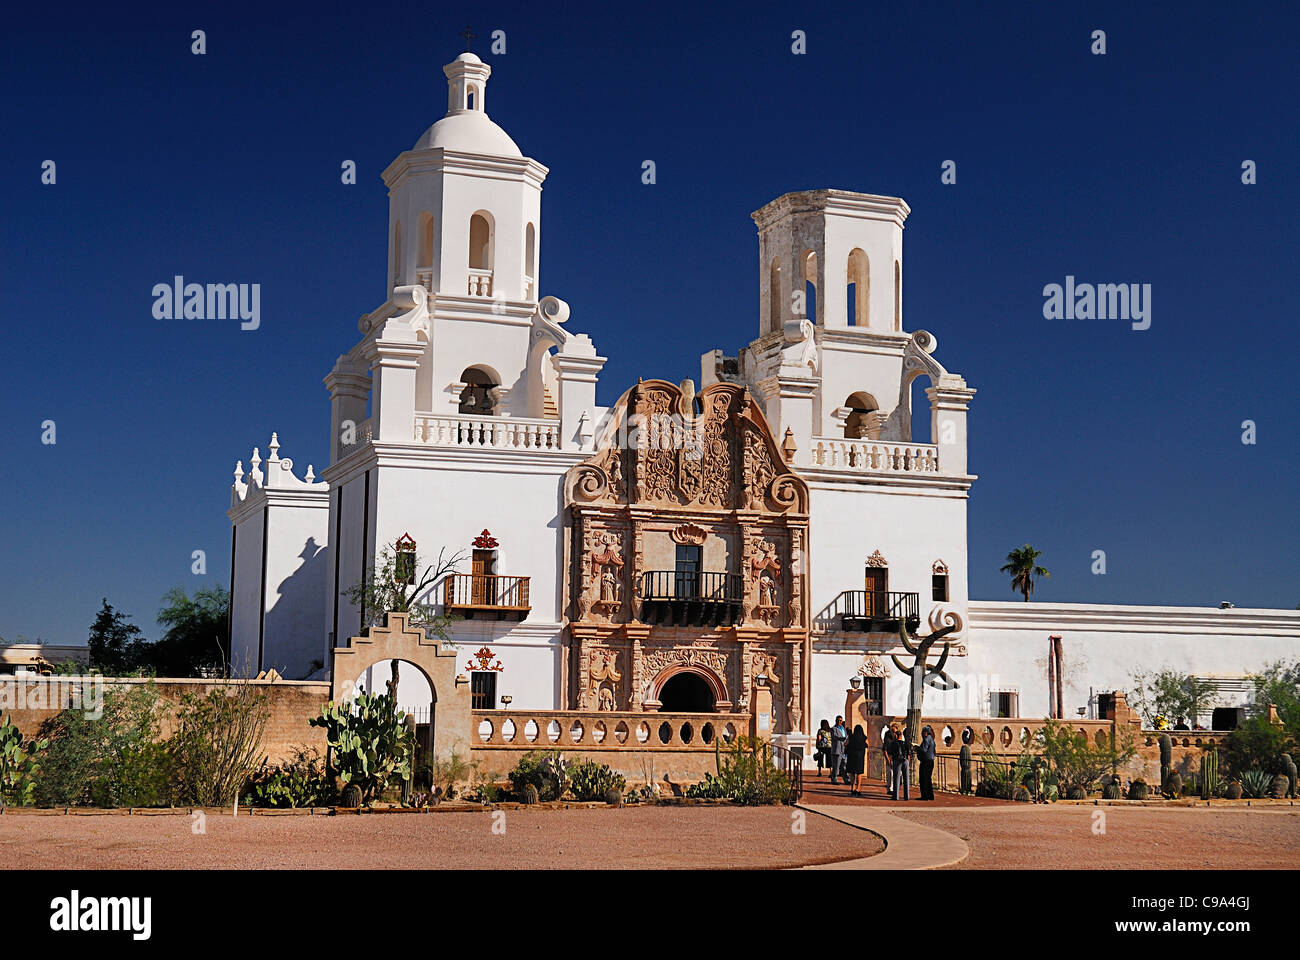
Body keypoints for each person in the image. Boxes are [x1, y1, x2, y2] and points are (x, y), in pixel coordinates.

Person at [887, 723, 911, 800]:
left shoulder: (893, 743)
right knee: (906, 779)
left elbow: (890, 753)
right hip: (905, 760)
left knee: (896, 778)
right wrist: (908, 762)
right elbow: (909, 754)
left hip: (897, 760)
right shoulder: (905, 743)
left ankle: (895, 796)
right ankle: (907, 796)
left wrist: (890, 761)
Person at [845, 725, 868, 795]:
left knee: (852, 773)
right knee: (859, 773)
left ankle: (852, 788)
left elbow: (845, 744)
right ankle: (858, 789)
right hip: (860, 757)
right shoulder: (864, 738)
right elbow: (867, 745)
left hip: (851, 757)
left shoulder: (851, 737)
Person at [917, 725, 936, 801]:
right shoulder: (932, 739)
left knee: (923, 779)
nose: (921, 734)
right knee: (928, 779)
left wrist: (918, 748)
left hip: (925, 761)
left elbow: (924, 750)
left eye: (922, 732)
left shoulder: (926, 740)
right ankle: (930, 795)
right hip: (931, 761)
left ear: (925, 733)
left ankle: (924, 796)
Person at [829, 716, 848, 784]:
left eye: (841, 720)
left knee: (844, 765)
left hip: (843, 751)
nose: (840, 722)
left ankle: (846, 779)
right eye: (839, 720)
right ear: (836, 721)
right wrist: (842, 738)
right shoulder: (833, 729)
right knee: (836, 766)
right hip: (837, 750)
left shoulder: (843, 729)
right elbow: (834, 736)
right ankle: (834, 778)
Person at [882, 725, 897, 796]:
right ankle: (890, 788)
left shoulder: (897, 736)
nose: (893, 733)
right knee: (889, 772)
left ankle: (894, 787)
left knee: (896, 773)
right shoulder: (887, 736)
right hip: (889, 755)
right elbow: (885, 748)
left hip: (895, 756)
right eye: (892, 731)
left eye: (894, 731)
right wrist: (887, 758)